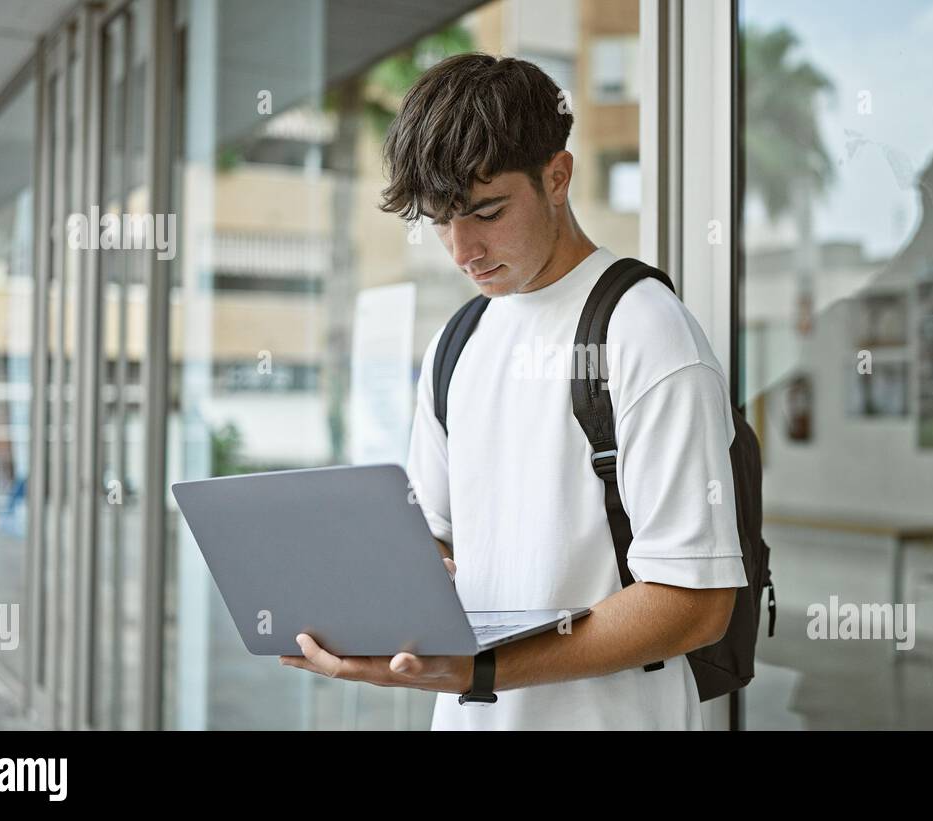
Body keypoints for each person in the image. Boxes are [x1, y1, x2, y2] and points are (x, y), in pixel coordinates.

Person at [279, 53, 748, 730]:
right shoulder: (458, 340)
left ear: (557, 177)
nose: (463, 249)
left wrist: (484, 669)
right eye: (441, 220)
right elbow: (441, 544)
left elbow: (696, 601)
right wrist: (367, 585)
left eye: (487, 211)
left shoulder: (645, 331)